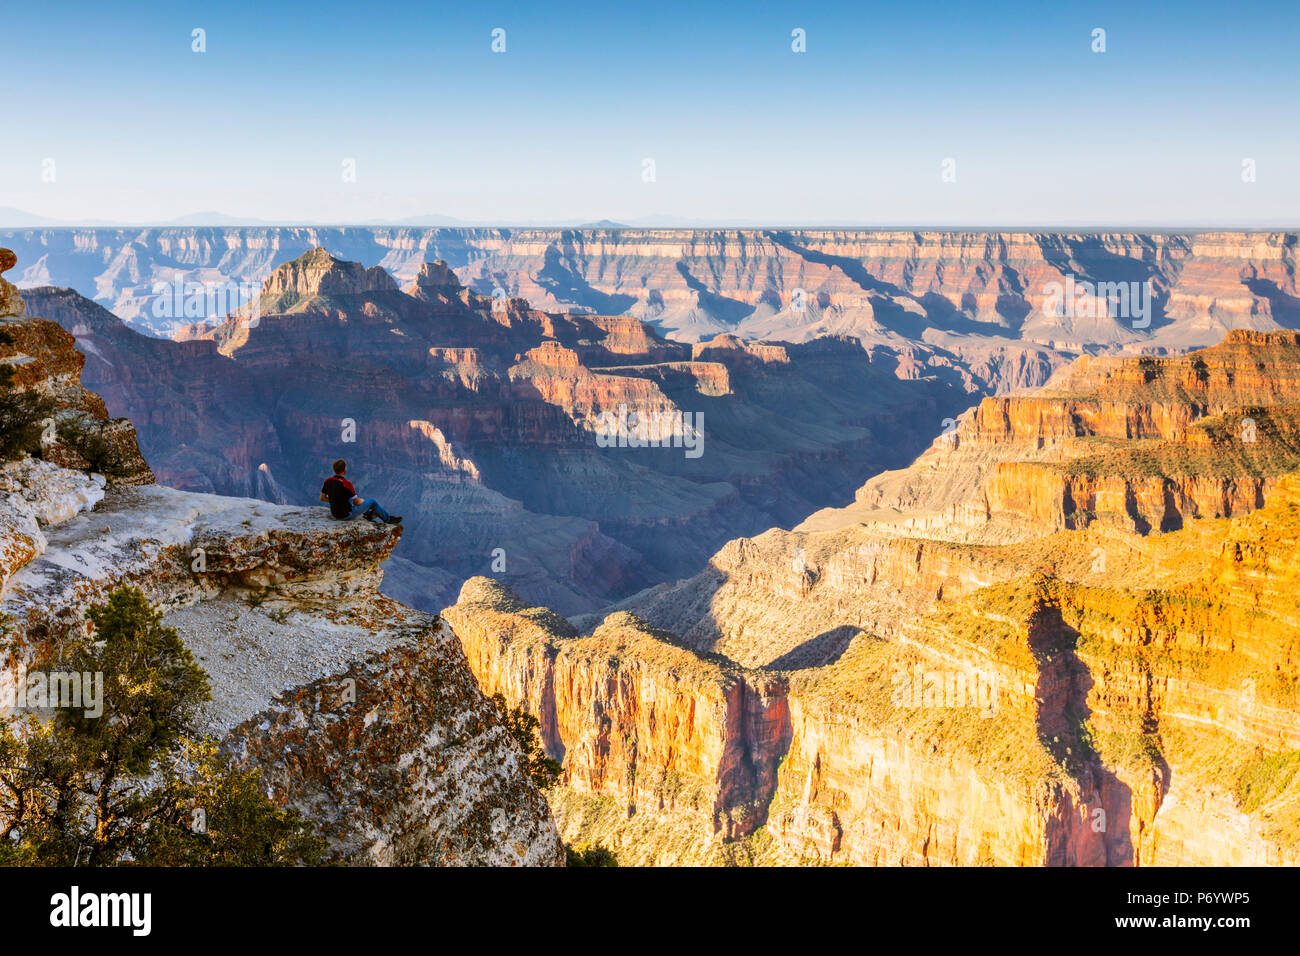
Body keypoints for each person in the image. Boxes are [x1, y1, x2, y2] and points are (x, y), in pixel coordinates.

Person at [320, 459, 401, 524]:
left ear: (334, 470)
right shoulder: (347, 484)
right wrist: (362, 501)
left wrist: (335, 500)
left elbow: (322, 498)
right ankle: (388, 519)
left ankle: (370, 514)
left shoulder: (327, 481)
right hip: (345, 515)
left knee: (348, 499)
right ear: (344, 470)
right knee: (373, 502)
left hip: (334, 513)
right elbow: (357, 502)